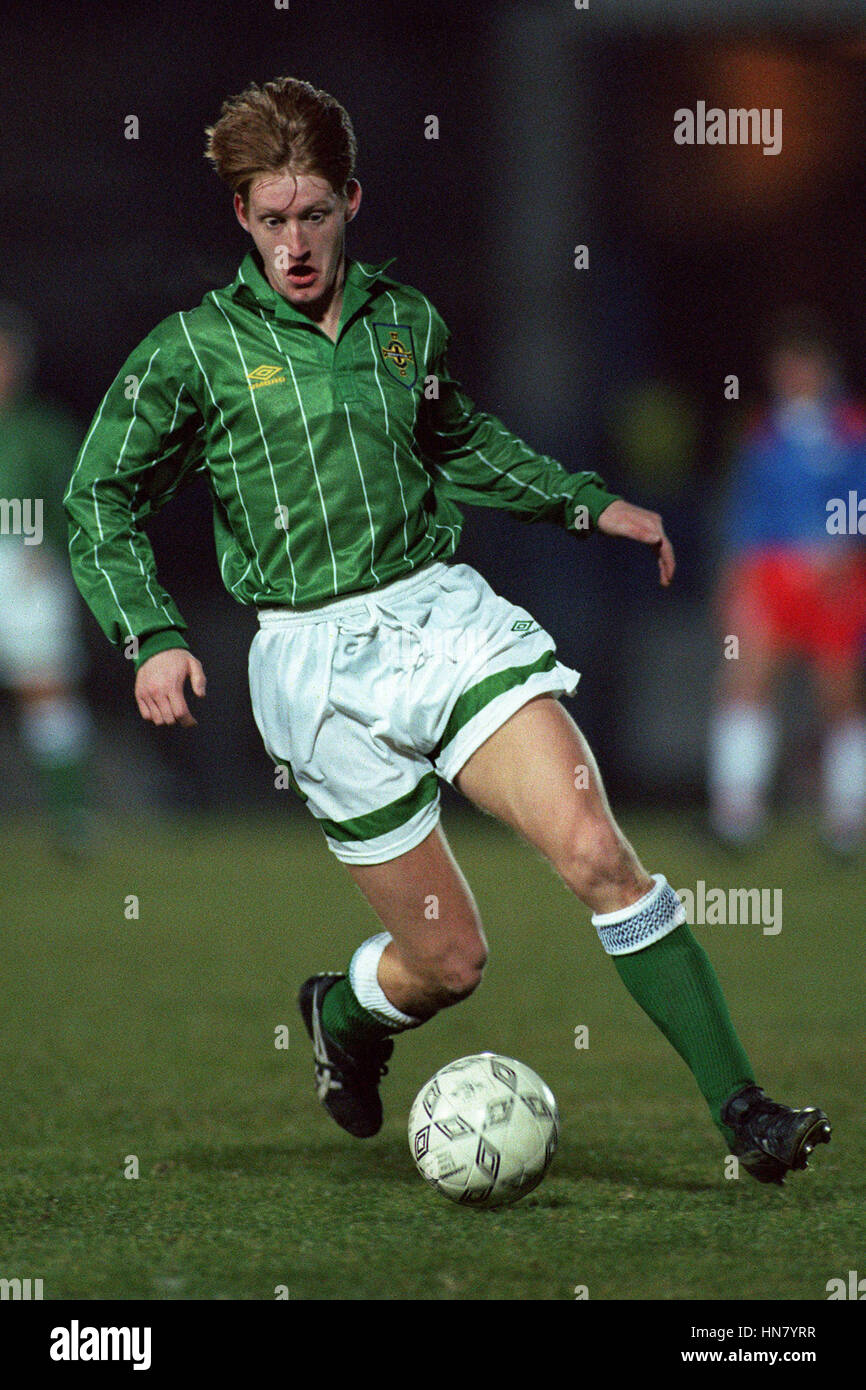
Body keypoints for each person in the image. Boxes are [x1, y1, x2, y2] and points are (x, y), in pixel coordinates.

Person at [65, 78, 830, 1185]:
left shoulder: (401, 322)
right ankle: (342, 1013)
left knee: (595, 853)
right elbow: (98, 499)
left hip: (439, 619)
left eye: (313, 214)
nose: (293, 242)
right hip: (311, 667)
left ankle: (743, 1111)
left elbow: (456, 441)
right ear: (239, 217)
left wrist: (585, 502)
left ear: (352, 201)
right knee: (450, 961)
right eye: (270, 218)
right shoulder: (190, 350)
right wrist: (151, 634)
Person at [709, 311, 866, 855]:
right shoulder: (764, 432)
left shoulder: (851, 430)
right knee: (746, 681)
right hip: (771, 574)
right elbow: (746, 510)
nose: (792, 376)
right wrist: (736, 580)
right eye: (785, 368)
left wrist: (843, 550)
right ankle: (736, 813)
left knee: (840, 694)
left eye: (801, 366)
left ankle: (847, 820)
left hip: (835, 578)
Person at [0, 302, 93, 852]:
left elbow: (75, 502)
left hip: (25, 566)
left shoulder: (44, 430)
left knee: (46, 691)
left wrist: (47, 546)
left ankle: (72, 820)